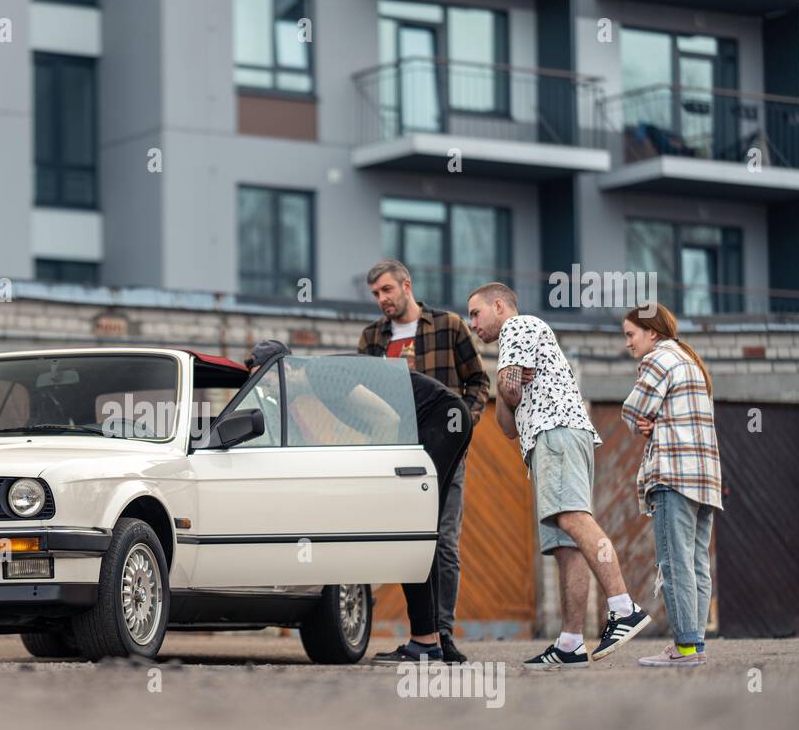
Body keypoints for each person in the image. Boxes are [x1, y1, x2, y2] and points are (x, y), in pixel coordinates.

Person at [243, 340, 474, 663]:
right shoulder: (317, 383)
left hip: (442, 419)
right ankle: (433, 641)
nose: (268, 388)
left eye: (267, 378)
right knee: (419, 533)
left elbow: (386, 421)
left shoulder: (322, 376)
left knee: (414, 531)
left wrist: (379, 472)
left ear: (288, 368)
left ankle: (426, 642)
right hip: (440, 420)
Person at [465, 282, 650, 668]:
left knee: (573, 517)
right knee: (566, 545)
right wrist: (508, 385)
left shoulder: (519, 326)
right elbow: (506, 424)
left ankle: (623, 606)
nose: (472, 324)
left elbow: (510, 395)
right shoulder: (516, 343)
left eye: (475, 314)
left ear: (499, 306)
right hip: (553, 438)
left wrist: (508, 385)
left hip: (555, 433)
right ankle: (570, 643)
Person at [359, 260, 489, 663]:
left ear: (406, 285)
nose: (382, 300)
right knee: (407, 542)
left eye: (386, 290)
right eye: (376, 294)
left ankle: (442, 636)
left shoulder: (448, 325)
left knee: (444, 543)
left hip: (443, 453)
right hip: (395, 456)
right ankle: (424, 635)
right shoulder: (371, 339)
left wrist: (461, 424)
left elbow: (478, 381)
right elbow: (360, 394)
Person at [620, 304, 722, 667]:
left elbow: (632, 411)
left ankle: (684, 648)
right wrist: (654, 418)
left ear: (653, 333)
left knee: (674, 563)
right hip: (704, 480)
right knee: (696, 564)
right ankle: (695, 646)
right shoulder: (691, 362)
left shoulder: (657, 360)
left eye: (631, 334)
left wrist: (645, 420)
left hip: (674, 476)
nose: (628, 343)